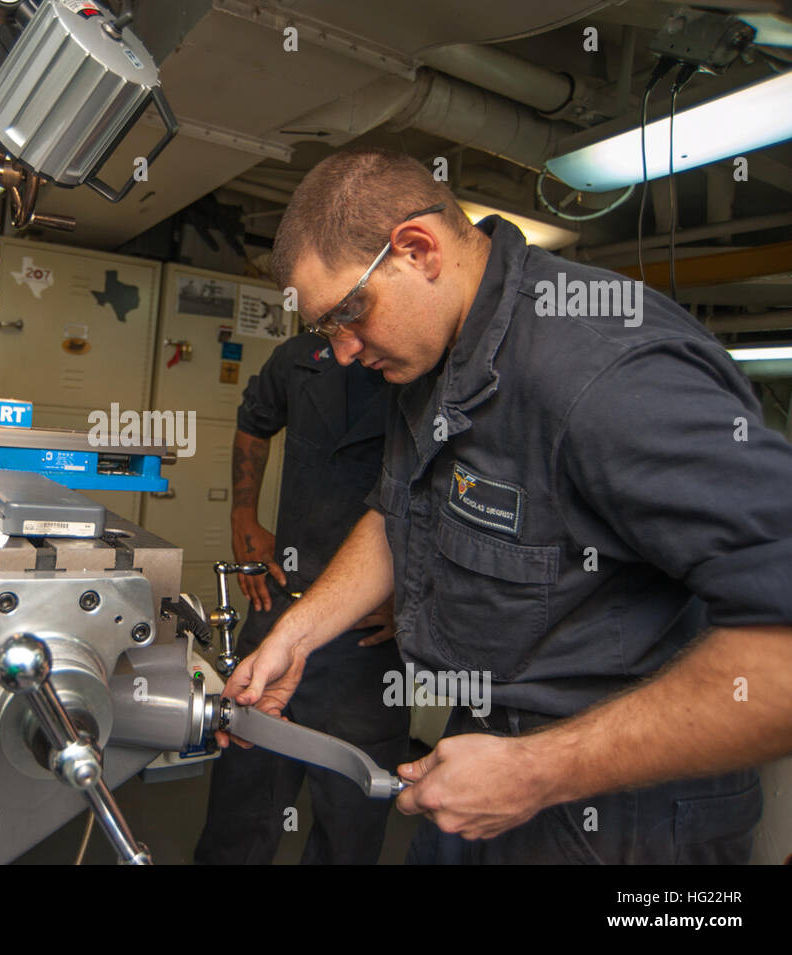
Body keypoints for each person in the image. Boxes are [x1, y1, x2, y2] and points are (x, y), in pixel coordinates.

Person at [220, 147, 792, 864]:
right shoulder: (431, 359)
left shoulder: (604, 374)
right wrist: (297, 633)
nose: (340, 352)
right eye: (323, 328)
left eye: (348, 314)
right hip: (484, 759)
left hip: (622, 816)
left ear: (417, 250)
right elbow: (399, 511)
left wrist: (536, 769)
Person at [194, 329, 408, 864]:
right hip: (280, 605)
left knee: (350, 818)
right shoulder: (301, 357)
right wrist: (243, 515)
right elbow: (254, 420)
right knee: (241, 802)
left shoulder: (429, 370)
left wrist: (413, 597)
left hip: (366, 642)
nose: (342, 344)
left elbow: (457, 495)